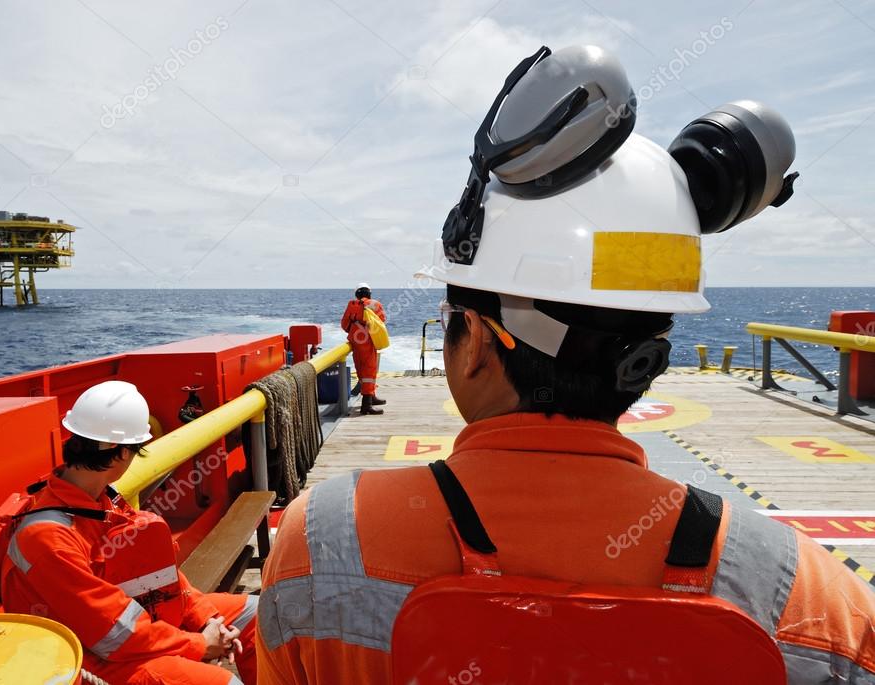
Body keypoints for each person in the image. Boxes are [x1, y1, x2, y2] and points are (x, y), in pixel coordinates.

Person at [257, 46, 875, 683]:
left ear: (475, 343)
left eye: (450, 322)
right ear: (646, 358)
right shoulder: (815, 598)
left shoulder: (321, 545)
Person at [0, 380, 258, 685]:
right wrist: (200, 645)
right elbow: (115, 635)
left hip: (134, 632)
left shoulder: (101, 501)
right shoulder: (47, 539)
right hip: (92, 660)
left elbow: (165, 580)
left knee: (258, 613)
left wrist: (208, 619)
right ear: (122, 454)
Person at [341, 282, 387, 415]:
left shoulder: (352, 305)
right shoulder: (375, 304)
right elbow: (382, 320)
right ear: (369, 293)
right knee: (369, 372)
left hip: (356, 340)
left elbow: (344, 324)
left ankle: (371, 396)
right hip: (368, 340)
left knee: (361, 369)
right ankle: (366, 405)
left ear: (357, 294)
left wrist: (355, 330)